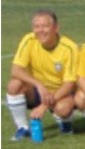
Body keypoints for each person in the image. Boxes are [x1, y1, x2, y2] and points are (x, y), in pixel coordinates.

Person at [6, 10, 77, 140]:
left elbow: (69, 84)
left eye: (45, 26)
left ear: (56, 28)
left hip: (61, 92)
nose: (40, 30)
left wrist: (44, 106)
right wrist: (38, 84)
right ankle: (22, 128)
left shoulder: (69, 48)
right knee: (14, 84)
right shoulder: (29, 39)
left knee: (63, 109)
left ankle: (65, 123)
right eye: (36, 27)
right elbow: (15, 70)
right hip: (39, 91)